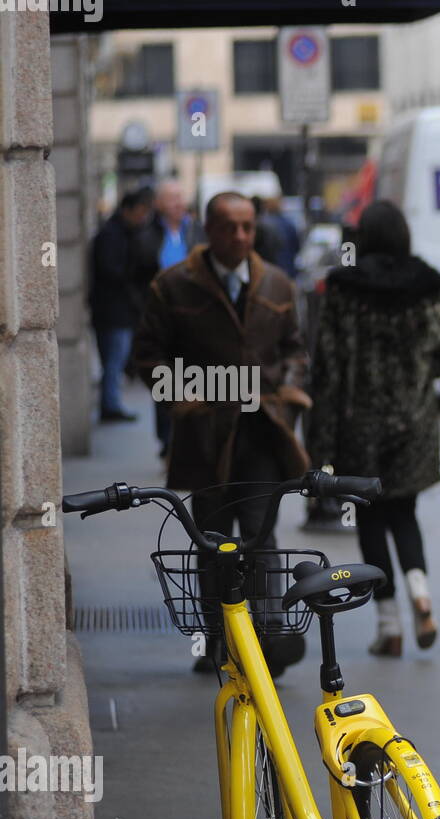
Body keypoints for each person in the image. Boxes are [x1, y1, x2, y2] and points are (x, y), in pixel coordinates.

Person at [130, 191, 312, 678]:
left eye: (248, 227)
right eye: (230, 227)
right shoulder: (174, 286)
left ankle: (268, 635)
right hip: (206, 435)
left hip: (262, 428)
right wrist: (186, 400)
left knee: (261, 533)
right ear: (208, 230)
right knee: (212, 540)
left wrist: (289, 396)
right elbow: (147, 355)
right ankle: (216, 638)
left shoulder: (277, 282)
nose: (240, 236)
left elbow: (296, 351)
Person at [307, 200, 440, 656]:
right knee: (405, 513)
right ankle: (421, 594)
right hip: (413, 422)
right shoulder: (428, 285)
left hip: (360, 424)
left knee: (370, 518)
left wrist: (321, 441)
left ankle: (389, 626)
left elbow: (327, 367)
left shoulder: (344, 289)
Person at [137, 179, 198, 455]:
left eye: (180, 197)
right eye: (172, 198)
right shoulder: (146, 235)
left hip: (194, 315)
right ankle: (167, 440)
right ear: (159, 204)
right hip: (161, 317)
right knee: (163, 376)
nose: (178, 203)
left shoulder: (196, 231)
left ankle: (190, 433)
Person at [89, 187, 155, 423]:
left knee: (115, 359)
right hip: (113, 310)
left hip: (117, 309)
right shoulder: (113, 235)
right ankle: (111, 405)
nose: (142, 218)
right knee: (114, 360)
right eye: (139, 212)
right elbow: (113, 271)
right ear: (128, 210)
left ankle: (112, 403)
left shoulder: (123, 233)